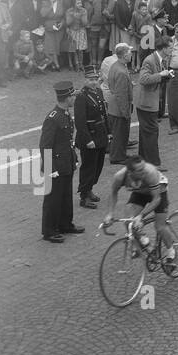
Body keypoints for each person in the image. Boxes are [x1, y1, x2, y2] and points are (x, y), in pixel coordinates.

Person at [102, 153, 178, 268]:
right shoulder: (119, 177)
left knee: (160, 226)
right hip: (140, 192)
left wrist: (141, 216)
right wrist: (109, 214)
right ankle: (145, 243)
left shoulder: (150, 172)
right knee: (128, 220)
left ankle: (171, 252)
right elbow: (113, 193)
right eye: (140, 170)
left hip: (158, 193)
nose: (144, 171)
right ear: (130, 172)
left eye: (144, 168)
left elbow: (156, 199)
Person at [39, 80, 84, 243]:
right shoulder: (53, 118)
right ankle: (49, 230)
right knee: (53, 198)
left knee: (65, 196)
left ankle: (65, 223)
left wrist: (74, 159)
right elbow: (45, 146)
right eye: (72, 96)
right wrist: (51, 168)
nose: (74, 98)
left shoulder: (65, 114)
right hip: (56, 166)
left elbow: (67, 142)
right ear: (66, 98)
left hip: (66, 163)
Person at [73, 66, 109, 208]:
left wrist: (109, 131)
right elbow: (80, 122)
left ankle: (89, 189)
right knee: (88, 167)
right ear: (85, 80)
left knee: (98, 166)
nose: (93, 82)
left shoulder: (98, 92)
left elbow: (104, 114)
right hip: (89, 138)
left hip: (100, 135)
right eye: (90, 79)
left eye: (95, 79)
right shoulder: (81, 97)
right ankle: (84, 196)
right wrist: (88, 140)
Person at [132, 39, 169, 167]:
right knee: (151, 132)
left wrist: (166, 76)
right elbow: (143, 79)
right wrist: (161, 74)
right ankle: (152, 164)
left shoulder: (159, 59)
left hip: (149, 101)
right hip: (146, 103)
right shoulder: (149, 60)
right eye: (170, 48)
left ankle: (143, 160)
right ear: (163, 48)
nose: (171, 50)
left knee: (146, 132)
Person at [104, 43, 134, 162]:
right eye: (130, 53)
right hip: (119, 109)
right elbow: (121, 95)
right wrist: (125, 112)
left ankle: (120, 154)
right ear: (125, 55)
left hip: (114, 106)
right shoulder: (121, 71)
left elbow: (112, 86)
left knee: (118, 133)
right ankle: (117, 157)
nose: (131, 55)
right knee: (120, 134)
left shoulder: (115, 66)